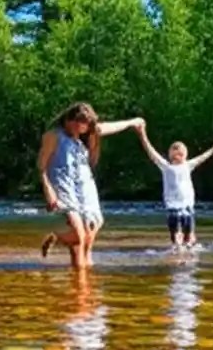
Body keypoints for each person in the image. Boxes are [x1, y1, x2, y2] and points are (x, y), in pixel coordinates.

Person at [38, 102, 143, 269]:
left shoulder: (85, 136)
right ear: (69, 120)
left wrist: (132, 122)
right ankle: (56, 237)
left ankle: (82, 285)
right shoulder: (54, 136)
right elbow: (41, 165)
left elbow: (110, 127)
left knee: (87, 241)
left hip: (85, 188)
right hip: (64, 187)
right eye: (79, 125)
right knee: (79, 236)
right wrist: (48, 190)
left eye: (86, 126)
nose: (82, 130)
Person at [136, 124, 213, 248]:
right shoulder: (166, 166)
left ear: (185, 155)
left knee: (188, 232)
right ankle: (176, 247)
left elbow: (205, 155)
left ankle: (189, 242)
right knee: (174, 232)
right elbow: (151, 151)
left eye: (180, 154)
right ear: (170, 155)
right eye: (174, 154)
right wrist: (142, 135)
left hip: (187, 206)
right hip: (172, 207)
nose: (177, 157)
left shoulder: (188, 165)